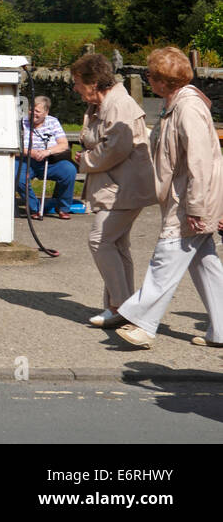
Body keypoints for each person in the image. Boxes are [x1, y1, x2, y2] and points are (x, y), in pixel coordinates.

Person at [113, 48, 223, 348]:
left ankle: (143, 324)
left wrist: (198, 207)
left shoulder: (188, 108)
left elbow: (201, 161)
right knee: (205, 263)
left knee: (166, 258)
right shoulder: (174, 105)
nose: (148, 79)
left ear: (164, 81)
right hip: (185, 197)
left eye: (151, 75)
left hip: (190, 200)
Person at [70, 52, 157, 329]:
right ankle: (119, 306)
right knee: (117, 244)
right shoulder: (103, 104)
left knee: (100, 240)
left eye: (77, 82)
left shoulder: (119, 105)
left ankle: (120, 306)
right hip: (117, 186)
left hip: (124, 188)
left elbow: (116, 148)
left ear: (93, 82)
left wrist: (85, 160)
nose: (75, 88)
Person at [17, 95, 77, 219]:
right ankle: (34, 208)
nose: (33, 113)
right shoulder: (21, 122)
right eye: (31, 110)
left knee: (69, 170)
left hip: (49, 160)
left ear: (46, 112)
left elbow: (64, 144)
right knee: (19, 177)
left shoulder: (53, 122)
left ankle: (62, 207)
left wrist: (47, 151)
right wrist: (31, 152)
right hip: (27, 160)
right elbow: (14, 146)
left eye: (37, 111)